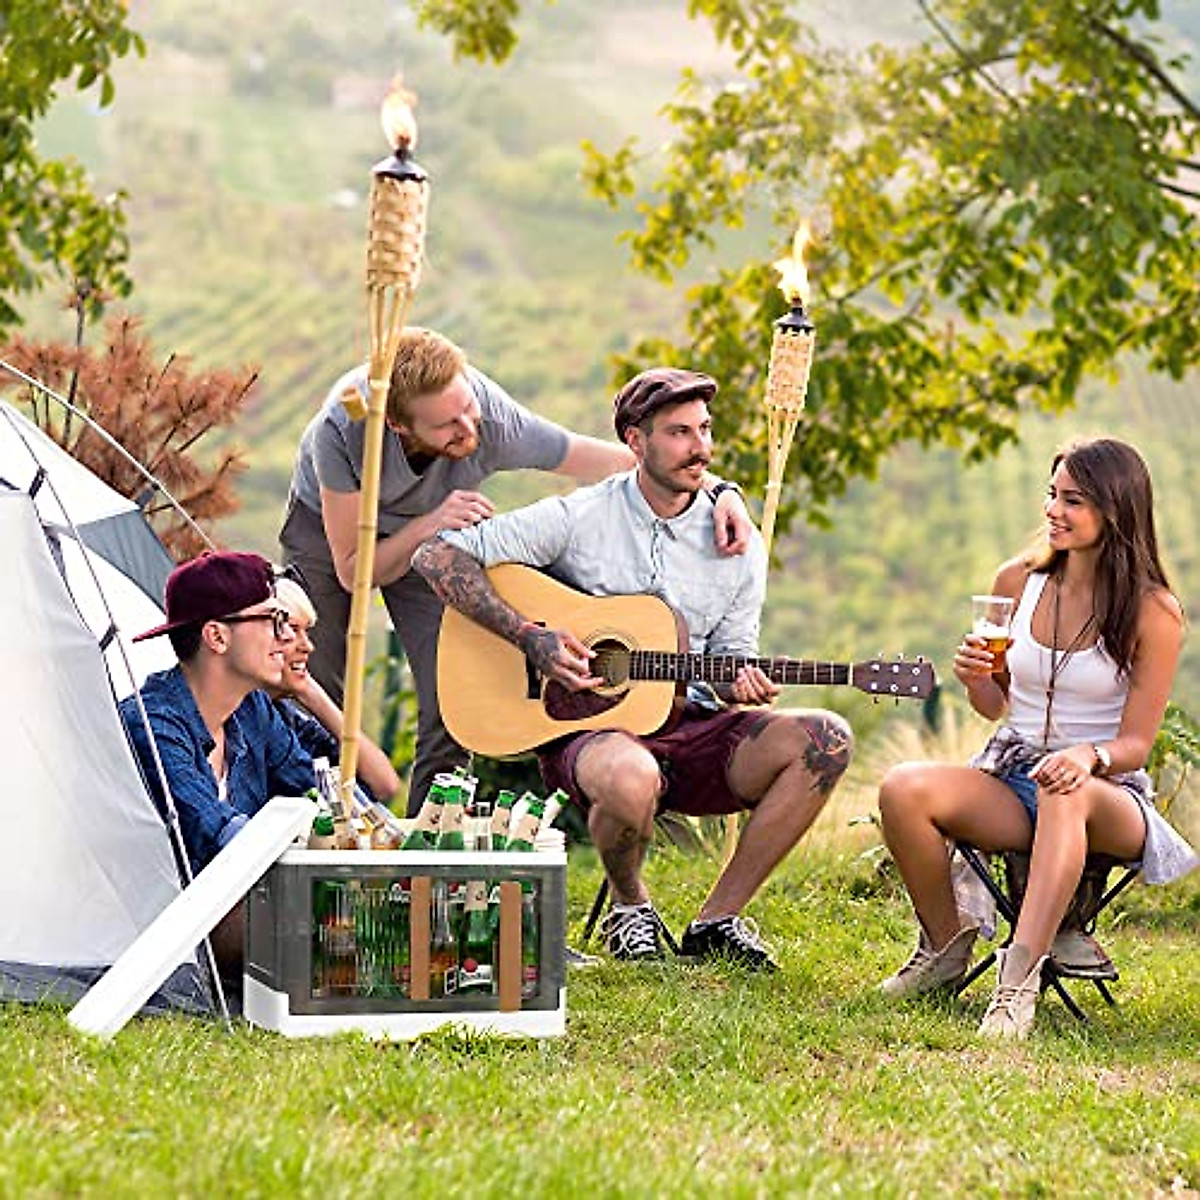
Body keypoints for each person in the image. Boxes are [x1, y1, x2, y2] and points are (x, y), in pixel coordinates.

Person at [413, 367, 854, 970]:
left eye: (704, 429)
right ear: (635, 441)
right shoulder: (579, 516)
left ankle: (717, 921)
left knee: (826, 739)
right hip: (593, 731)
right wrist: (530, 638)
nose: (699, 448)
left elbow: (730, 657)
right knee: (630, 776)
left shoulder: (736, 542)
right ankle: (629, 907)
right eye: (679, 432)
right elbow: (436, 556)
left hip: (689, 721)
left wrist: (737, 682)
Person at [279, 328, 755, 813]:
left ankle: (427, 846)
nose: (469, 429)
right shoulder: (342, 429)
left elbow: (613, 460)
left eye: (469, 408)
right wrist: (430, 521)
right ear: (399, 425)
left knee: (452, 700)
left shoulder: (492, 418)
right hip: (333, 539)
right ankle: (319, 831)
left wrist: (720, 491)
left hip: (437, 542)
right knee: (313, 687)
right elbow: (355, 571)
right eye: (448, 424)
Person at [877, 438, 1196, 1038]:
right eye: (1052, 494)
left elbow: (1135, 745)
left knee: (1063, 789)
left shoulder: (1153, 610)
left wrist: (1086, 755)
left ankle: (1016, 982)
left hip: (1106, 790)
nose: (1053, 510)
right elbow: (995, 707)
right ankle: (944, 950)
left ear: (1116, 510)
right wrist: (977, 679)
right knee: (903, 788)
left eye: (1073, 500)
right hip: (1014, 772)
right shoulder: (1018, 580)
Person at [119, 551, 318, 978]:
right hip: (172, 922)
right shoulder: (151, 723)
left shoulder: (252, 708)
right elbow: (217, 835)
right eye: (273, 620)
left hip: (237, 902)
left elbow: (314, 787)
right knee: (317, 923)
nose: (286, 637)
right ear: (216, 636)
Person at [269, 573, 401, 805]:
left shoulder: (288, 715)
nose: (308, 646)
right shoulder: (253, 720)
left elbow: (384, 785)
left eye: (307, 631)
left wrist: (311, 692)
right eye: (292, 630)